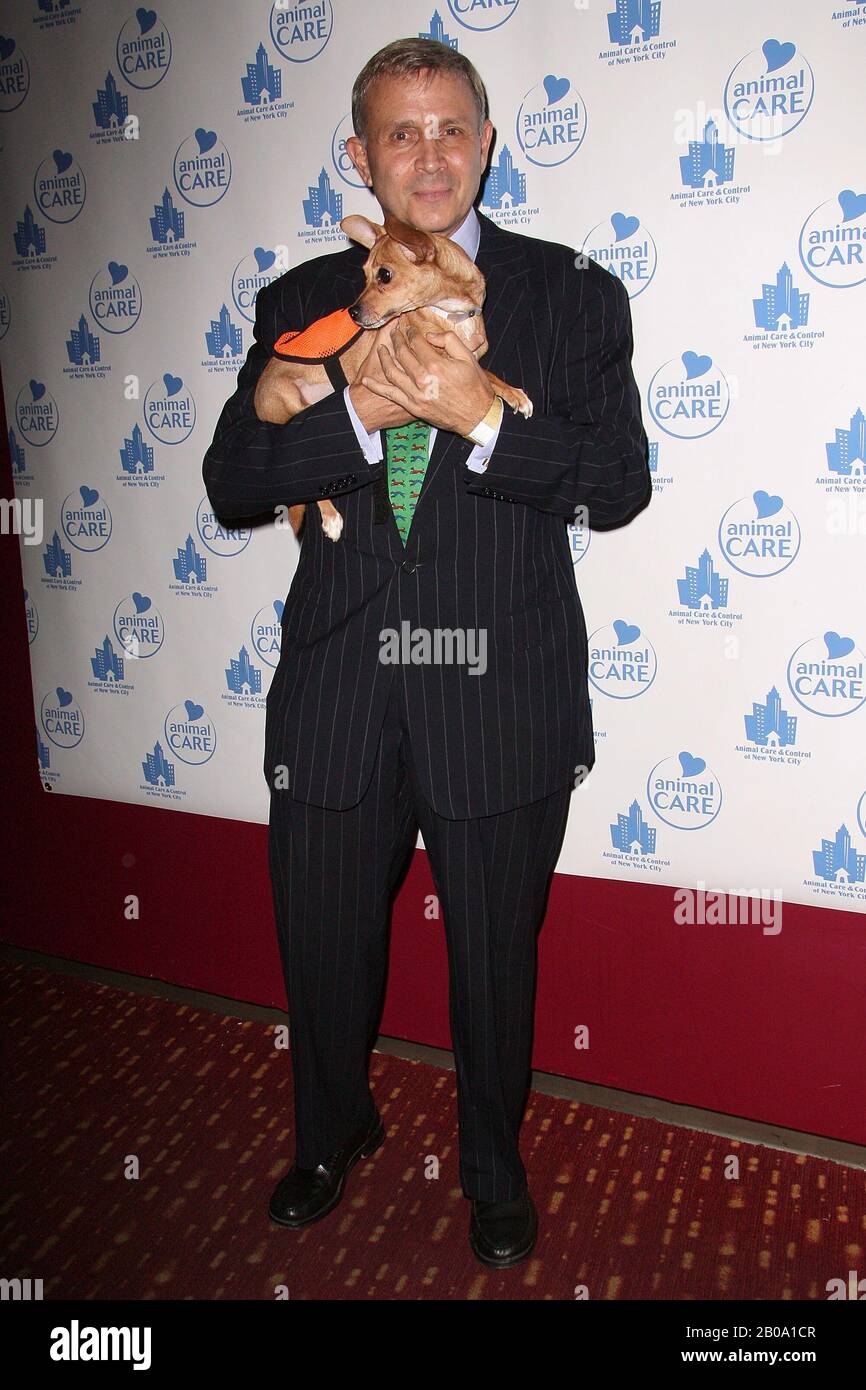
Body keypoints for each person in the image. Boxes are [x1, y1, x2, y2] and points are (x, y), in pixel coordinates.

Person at [202, 36, 651, 1268]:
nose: (429, 153)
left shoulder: (568, 294)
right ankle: (329, 1129)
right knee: (323, 941)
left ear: (489, 144)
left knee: (495, 956)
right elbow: (235, 479)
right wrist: (359, 413)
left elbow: (617, 485)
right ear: (360, 155)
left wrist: (476, 421)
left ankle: (492, 1166)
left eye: (450, 127)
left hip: (498, 692)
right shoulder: (302, 302)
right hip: (336, 691)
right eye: (399, 132)